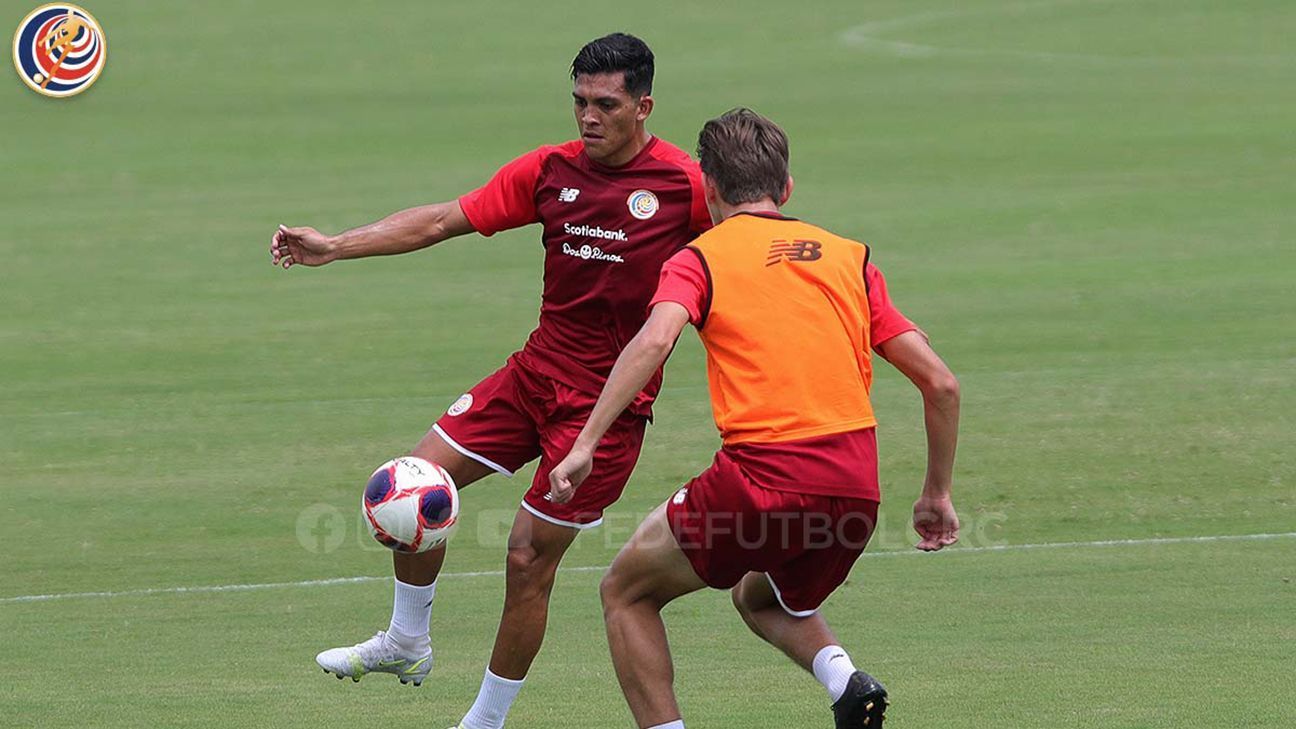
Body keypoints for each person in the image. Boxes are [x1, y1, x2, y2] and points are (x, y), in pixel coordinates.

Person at [270, 33, 709, 729]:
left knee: (527, 557)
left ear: (643, 106)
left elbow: (737, 263)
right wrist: (337, 245)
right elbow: (443, 220)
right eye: (579, 102)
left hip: (605, 415)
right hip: (531, 377)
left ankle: (484, 720)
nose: (588, 117)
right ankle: (407, 640)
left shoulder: (685, 187)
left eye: (605, 104)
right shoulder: (550, 170)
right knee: (415, 482)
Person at [548, 108, 961, 728]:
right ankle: (845, 682)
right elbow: (941, 383)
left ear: (708, 189)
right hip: (854, 494)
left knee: (625, 592)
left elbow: (654, 341)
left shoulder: (699, 257)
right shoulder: (849, 257)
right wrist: (936, 494)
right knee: (760, 593)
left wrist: (584, 444)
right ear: (787, 188)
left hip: (761, 481)